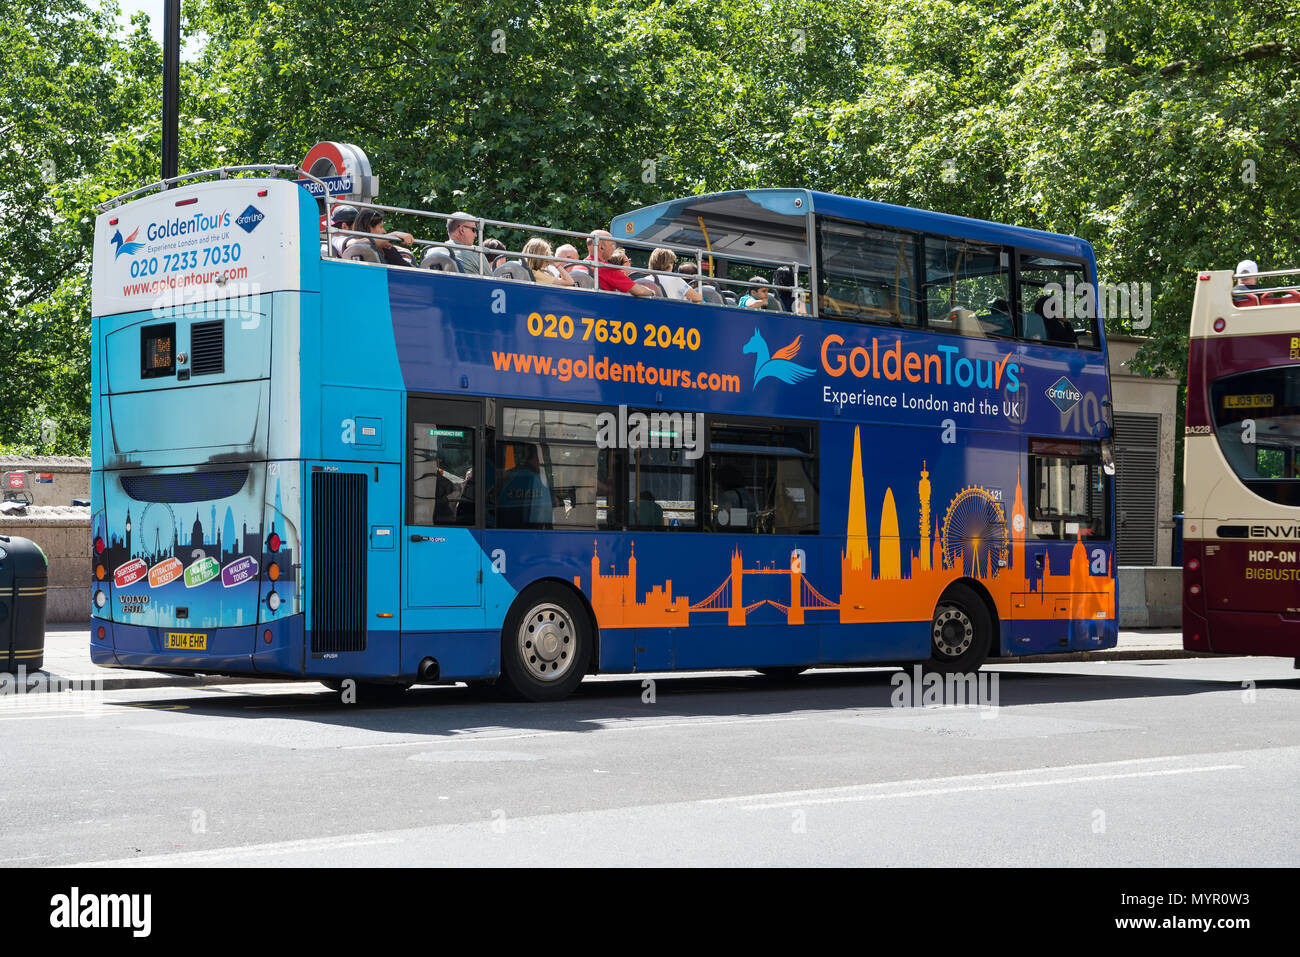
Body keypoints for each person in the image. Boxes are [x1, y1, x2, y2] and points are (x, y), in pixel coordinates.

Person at [584, 229, 655, 296]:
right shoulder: (607, 269)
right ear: (601, 247)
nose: (614, 248)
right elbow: (640, 291)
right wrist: (652, 293)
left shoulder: (579, 264)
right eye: (612, 244)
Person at [499, 444, 553, 527]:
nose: (540, 463)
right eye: (539, 458)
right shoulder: (539, 479)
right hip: (531, 532)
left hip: (506, 529)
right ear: (537, 458)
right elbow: (546, 512)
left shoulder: (509, 476)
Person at [346, 208, 414, 266]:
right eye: (381, 227)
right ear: (369, 227)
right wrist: (394, 234)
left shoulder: (351, 246)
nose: (384, 231)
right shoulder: (388, 250)